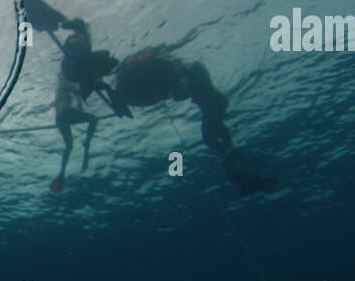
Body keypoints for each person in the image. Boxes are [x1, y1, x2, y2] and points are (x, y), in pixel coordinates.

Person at [112, 50, 279, 196]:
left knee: (213, 137)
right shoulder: (194, 80)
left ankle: (242, 166)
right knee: (213, 138)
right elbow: (179, 93)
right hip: (211, 104)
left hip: (212, 103)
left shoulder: (196, 80)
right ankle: (241, 166)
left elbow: (179, 93)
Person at [58, 18, 126, 117]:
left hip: (77, 71)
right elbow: (77, 55)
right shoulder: (75, 38)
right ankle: (91, 83)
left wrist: (95, 77)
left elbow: (88, 60)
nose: (88, 31)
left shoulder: (80, 39)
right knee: (109, 58)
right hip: (73, 69)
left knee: (107, 62)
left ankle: (116, 104)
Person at [49, 73, 98, 193]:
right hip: (66, 114)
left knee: (69, 146)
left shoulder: (62, 87)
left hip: (61, 118)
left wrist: (79, 106)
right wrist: (79, 105)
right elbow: (76, 94)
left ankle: (62, 173)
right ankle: (87, 144)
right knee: (93, 119)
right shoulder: (65, 85)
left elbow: (73, 96)